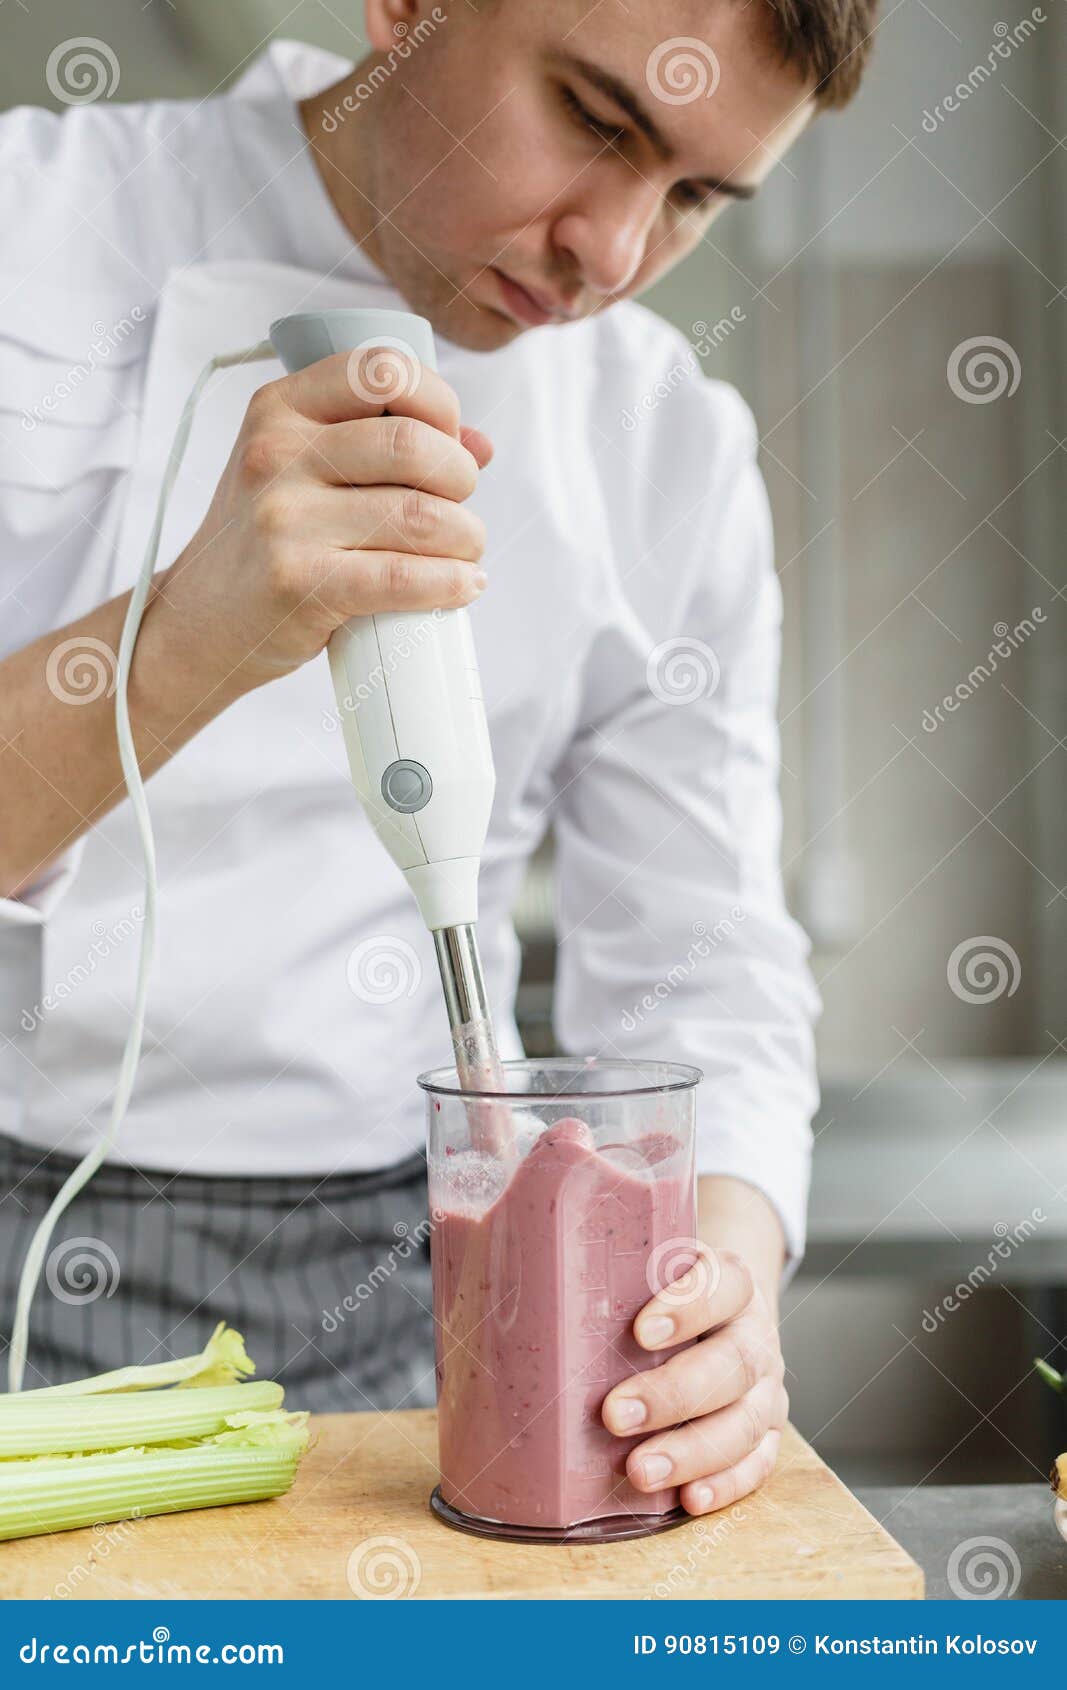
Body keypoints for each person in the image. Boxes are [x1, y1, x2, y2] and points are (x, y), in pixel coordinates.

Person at [0, 0, 877, 1517]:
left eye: (694, 196)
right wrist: (185, 646)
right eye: (596, 122)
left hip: (411, 1297)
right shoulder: (31, 232)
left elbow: (704, 964)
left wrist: (714, 1286)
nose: (609, 251)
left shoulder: (664, 444)